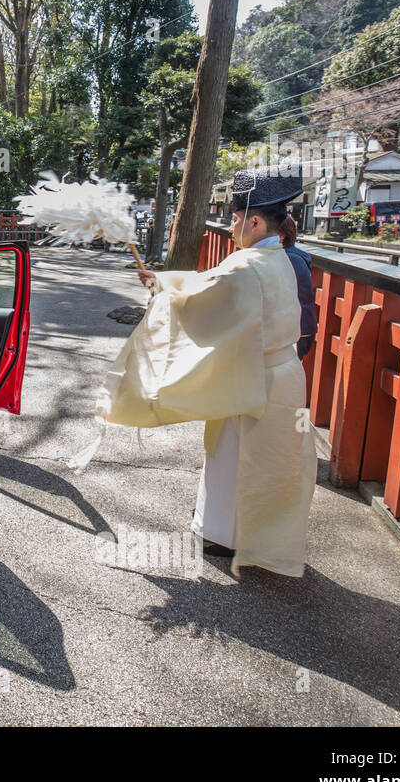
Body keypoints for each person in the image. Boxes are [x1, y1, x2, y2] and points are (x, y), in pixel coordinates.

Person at [101, 168, 316, 576]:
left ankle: (226, 536)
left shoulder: (248, 265)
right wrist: (163, 282)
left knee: (235, 458)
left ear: (255, 222)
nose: (231, 227)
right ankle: (251, 535)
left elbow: (205, 297)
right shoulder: (277, 257)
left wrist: (164, 294)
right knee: (269, 463)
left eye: (235, 219)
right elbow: (209, 284)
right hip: (279, 374)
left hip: (254, 380)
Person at [278, 214, 316, 359]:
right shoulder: (292, 256)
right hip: (296, 327)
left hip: (297, 329)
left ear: (281, 236)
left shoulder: (290, 259)